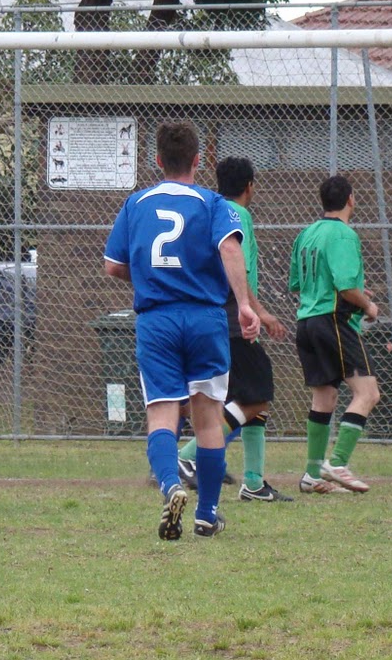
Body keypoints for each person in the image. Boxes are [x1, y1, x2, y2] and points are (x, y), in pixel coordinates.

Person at [104, 121, 259, 540]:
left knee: (161, 412)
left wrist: (152, 280)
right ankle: (207, 514)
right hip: (206, 318)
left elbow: (113, 266)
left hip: (157, 320)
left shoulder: (135, 205)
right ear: (198, 160)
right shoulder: (212, 204)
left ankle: (172, 486)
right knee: (208, 419)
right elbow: (230, 247)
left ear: (157, 161)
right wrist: (244, 304)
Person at [174, 156, 293, 503]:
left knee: (249, 397)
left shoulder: (209, 210)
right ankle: (188, 456)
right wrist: (256, 312)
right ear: (250, 185)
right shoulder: (238, 215)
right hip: (231, 319)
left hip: (216, 315)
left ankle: (254, 481)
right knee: (256, 396)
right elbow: (237, 271)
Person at [289, 175, 379, 495]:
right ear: (351, 199)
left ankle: (312, 475)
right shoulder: (343, 235)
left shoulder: (306, 234)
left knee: (324, 397)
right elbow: (345, 287)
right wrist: (367, 304)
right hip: (334, 322)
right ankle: (338, 463)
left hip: (307, 323)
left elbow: (298, 285)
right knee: (367, 393)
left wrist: (353, 291)